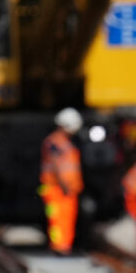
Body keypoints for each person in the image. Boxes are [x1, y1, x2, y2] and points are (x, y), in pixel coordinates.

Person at [40, 109, 83, 255]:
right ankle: (59, 246)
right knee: (57, 218)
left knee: (66, 217)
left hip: (66, 187)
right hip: (56, 188)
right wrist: (63, 183)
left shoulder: (63, 143)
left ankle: (64, 245)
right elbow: (56, 164)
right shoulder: (55, 143)